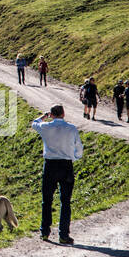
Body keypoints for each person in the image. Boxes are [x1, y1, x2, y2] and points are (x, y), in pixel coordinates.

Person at [30, 105, 84, 244]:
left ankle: (44, 232)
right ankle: (63, 235)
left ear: (52, 115)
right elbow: (79, 148)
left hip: (50, 165)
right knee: (65, 201)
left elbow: (34, 123)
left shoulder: (46, 127)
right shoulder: (71, 128)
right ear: (64, 114)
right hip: (66, 165)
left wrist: (44, 116)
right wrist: (74, 157)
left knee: (46, 200)